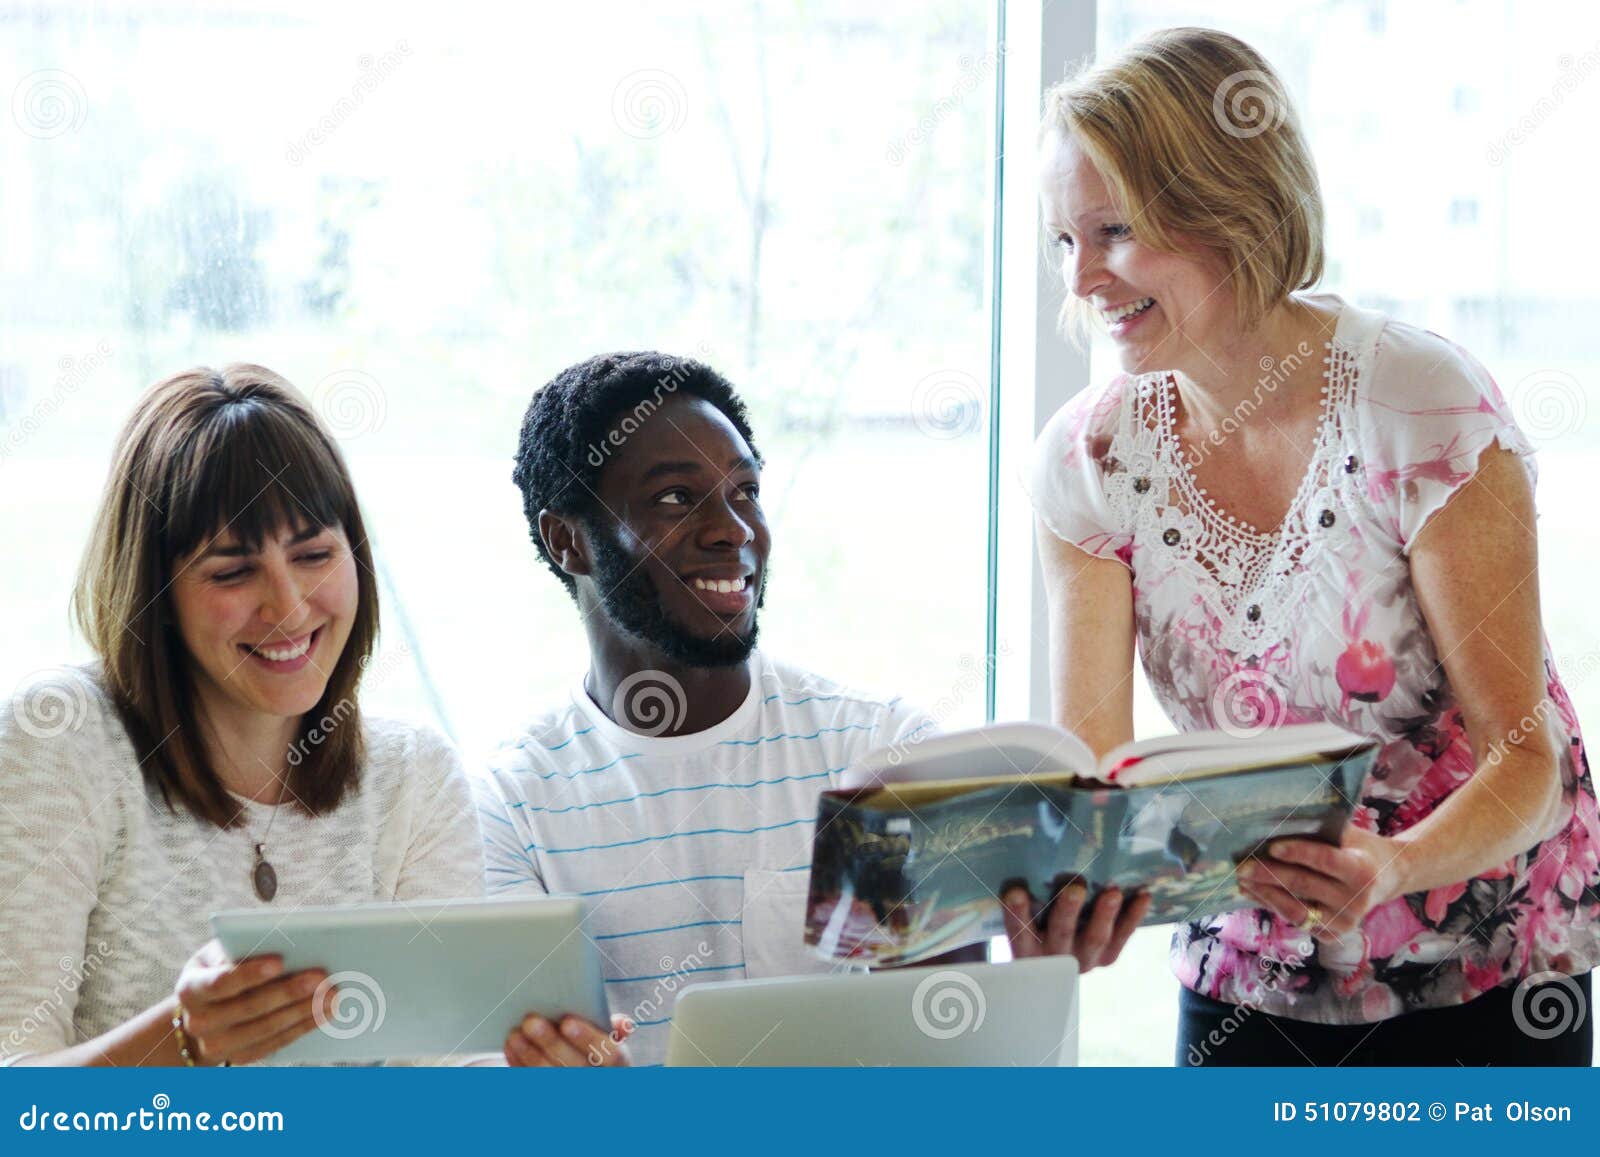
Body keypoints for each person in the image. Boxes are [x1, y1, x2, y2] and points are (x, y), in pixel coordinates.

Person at [1020, 27, 1598, 1065]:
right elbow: (1099, 780)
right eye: (1064, 242)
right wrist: (1075, 889)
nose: (1082, 279)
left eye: (1112, 231)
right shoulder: (1089, 458)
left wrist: (1393, 863)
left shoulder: (1417, 410)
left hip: (1484, 958)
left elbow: (1528, 761)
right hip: (1251, 965)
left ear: (1225, 205)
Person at [0, 365, 483, 1067]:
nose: (288, 607)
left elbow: (452, 1083)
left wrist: (555, 1089)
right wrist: (181, 1041)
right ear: (152, 593)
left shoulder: (415, 775)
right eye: (232, 571)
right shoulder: (59, 741)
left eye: (315, 554)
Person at [474, 351, 935, 1067]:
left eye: (744, 490)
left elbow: (950, 1053)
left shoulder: (881, 752)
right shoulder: (511, 805)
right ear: (569, 539)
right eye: (674, 498)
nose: (734, 529)